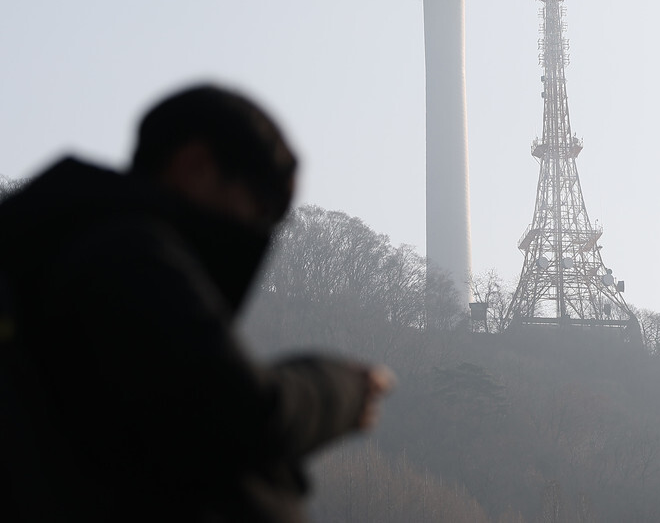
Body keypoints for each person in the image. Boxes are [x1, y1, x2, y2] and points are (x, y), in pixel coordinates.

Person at [0, 84, 394, 523]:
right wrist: (341, 390)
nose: (258, 233)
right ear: (197, 167)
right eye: (259, 207)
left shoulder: (54, 254)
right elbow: (238, 415)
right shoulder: (125, 255)